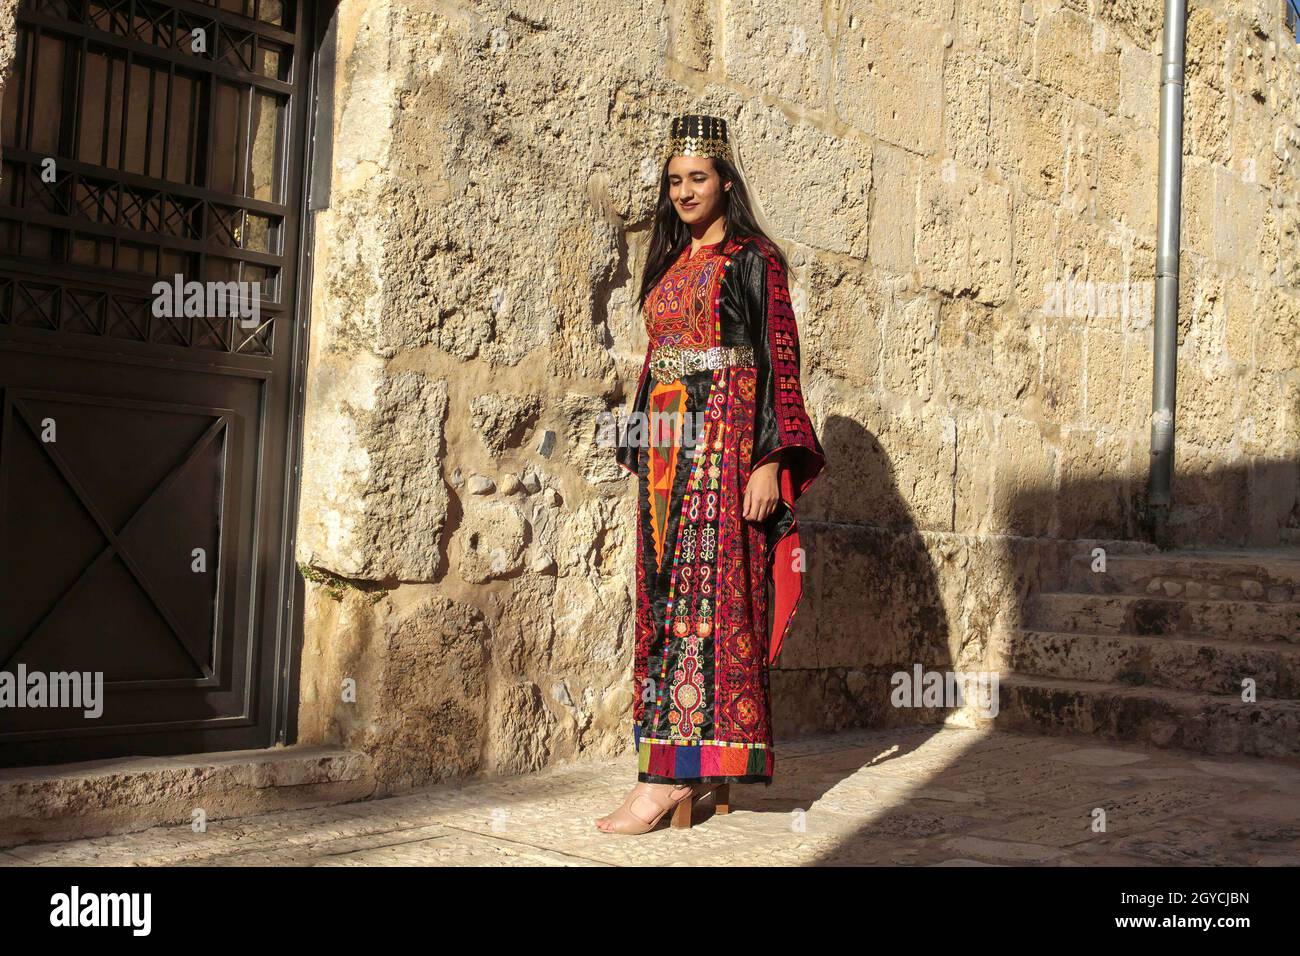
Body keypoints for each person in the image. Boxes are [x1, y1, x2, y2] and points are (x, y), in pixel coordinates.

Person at [597, 114, 826, 834]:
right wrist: (639, 440)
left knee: (709, 606)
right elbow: (656, 361)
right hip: (666, 447)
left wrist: (769, 460)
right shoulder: (667, 264)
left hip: (723, 444)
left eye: (698, 178)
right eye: (674, 181)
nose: (685, 191)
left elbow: (778, 363)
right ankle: (668, 766)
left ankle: (673, 779)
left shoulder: (756, 259)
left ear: (726, 180)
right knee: (661, 609)